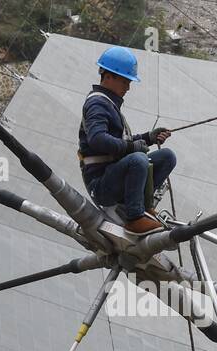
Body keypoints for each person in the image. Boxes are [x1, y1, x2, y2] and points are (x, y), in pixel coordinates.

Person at [76, 47, 176, 235]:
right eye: (125, 81)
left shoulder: (109, 104)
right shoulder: (97, 104)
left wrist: (148, 138)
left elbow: (121, 143)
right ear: (108, 77)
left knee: (167, 157)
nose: (128, 87)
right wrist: (133, 147)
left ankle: (143, 208)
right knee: (138, 159)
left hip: (115, 176)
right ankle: (135, 218)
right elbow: (98, 139)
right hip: (101, 185)